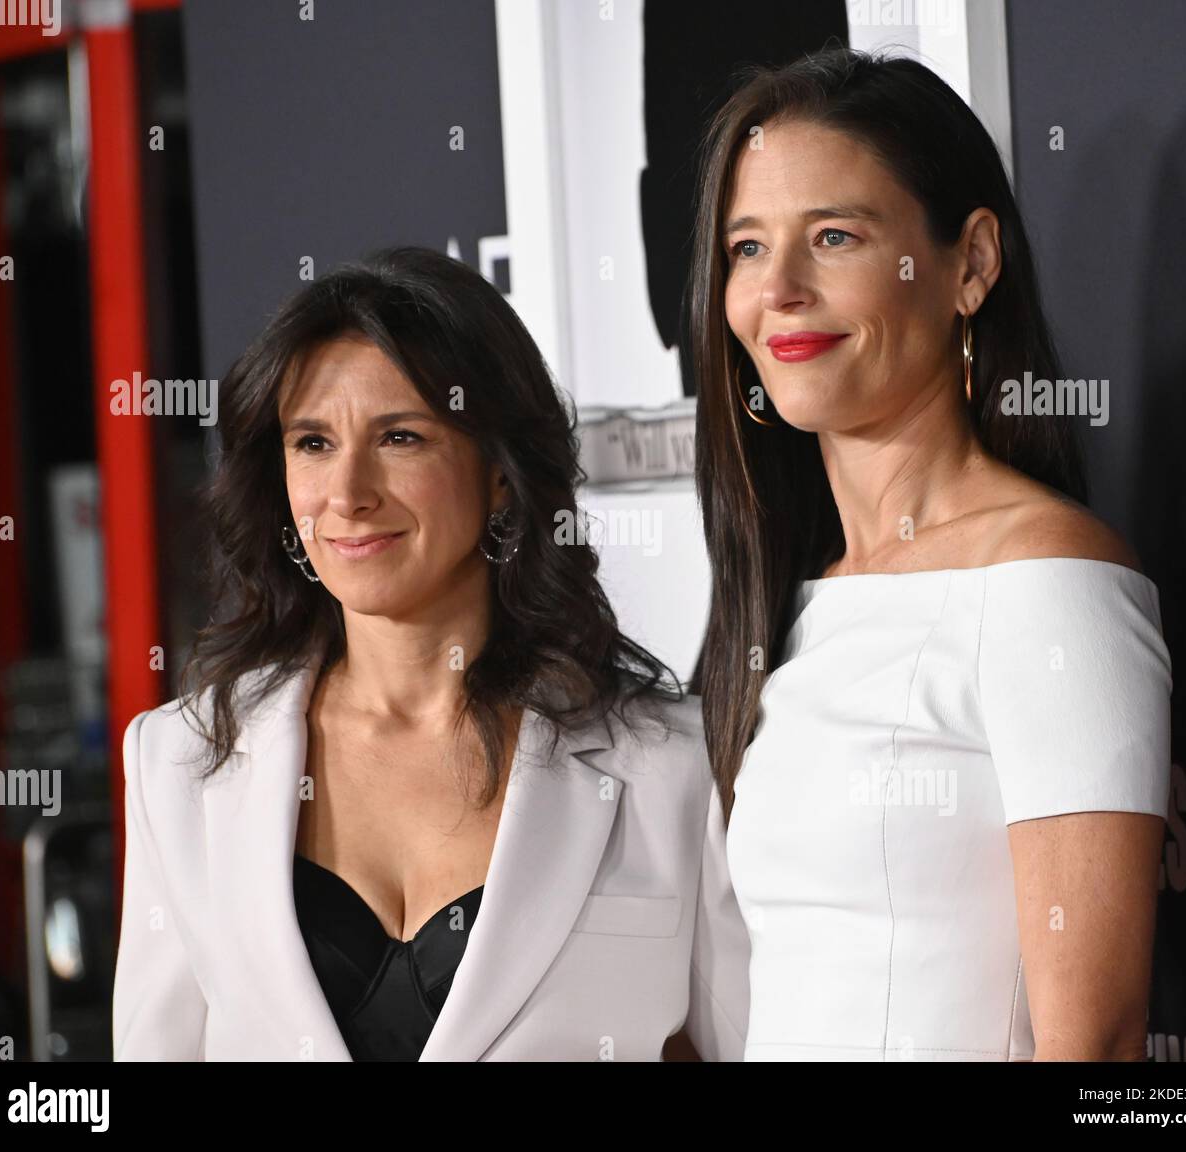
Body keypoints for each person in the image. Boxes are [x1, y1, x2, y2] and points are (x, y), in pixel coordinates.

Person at [112, 247, 750, 1061]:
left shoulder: (677, 768)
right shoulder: (179, 763)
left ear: (501, 478)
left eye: (401, 437)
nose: (347, 493)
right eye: (312, 443)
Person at [689, 48, 1171, 1061]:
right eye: (744, 247)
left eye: (833, 236)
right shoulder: (793, 599)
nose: (776, 289)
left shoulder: (1048, 583)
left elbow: (1103, 1056)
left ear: (970, 264)